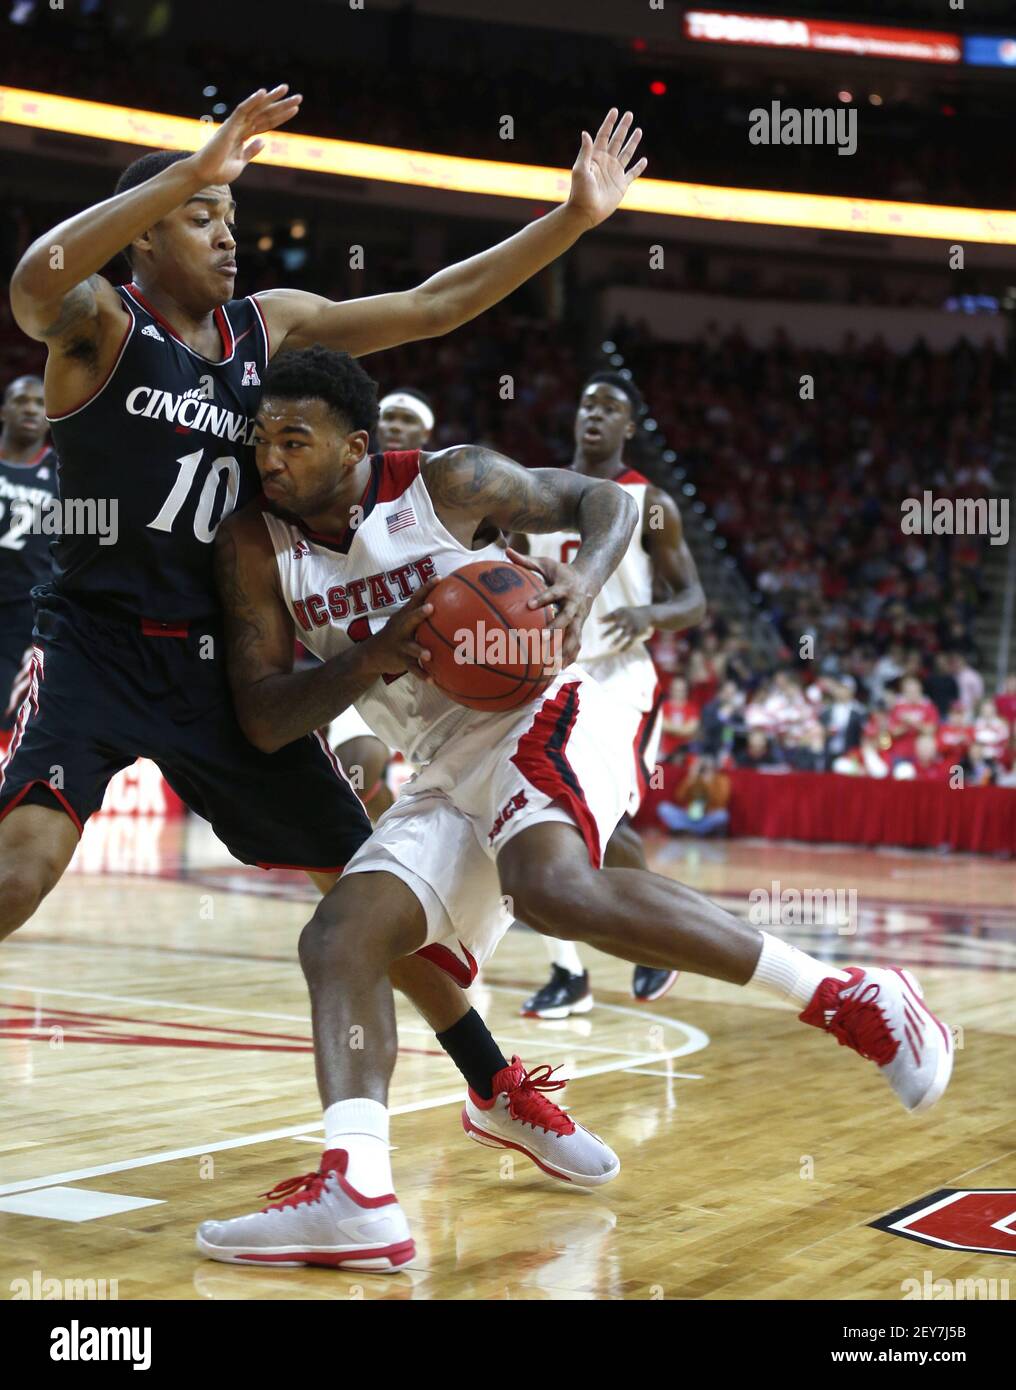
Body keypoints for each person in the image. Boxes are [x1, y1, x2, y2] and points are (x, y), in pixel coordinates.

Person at [3, 89, 645, 1184]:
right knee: (22, 869)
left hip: (222, 661)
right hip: (96, 645)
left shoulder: (271, 327)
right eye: (202, 216)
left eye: (227, 216)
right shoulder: (100, 325)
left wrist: (572, 220)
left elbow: (434, 304)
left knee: (360, 892)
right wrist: (188, 165)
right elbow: (33, 285)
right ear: (146, 232)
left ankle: (497, 1086)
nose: (227, 231)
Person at [199, 348, 953, 1270]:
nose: (269, 459)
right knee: (339, 939)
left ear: (354, 447)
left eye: (292, 440)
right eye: (260, 440)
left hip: (543, 707)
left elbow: (612, 504)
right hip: (440, 762)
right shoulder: (254, 544)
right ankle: (358, 1191)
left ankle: (852, 997)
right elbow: (266, 717)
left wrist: (585, 582)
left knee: (552, 888)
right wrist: (368, 658)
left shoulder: (448, 480)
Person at [513, 372, 707, 1015]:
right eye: (587, 403)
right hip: (546, 673)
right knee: (521, 813)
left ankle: (656, 939)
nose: (595, 414)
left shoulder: (651, 503)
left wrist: (650, 617)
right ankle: (568, 974)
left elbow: (693, 600)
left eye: (612, 408)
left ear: (629, 428)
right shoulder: (533, 493)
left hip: (619, 677)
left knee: (608, 817)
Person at [327, 388, 437, 820]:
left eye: (406, 420)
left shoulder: (442, 483)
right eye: (387, 418)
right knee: (355, 769)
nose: (394, 426)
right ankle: (382, 830)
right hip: (369, 655)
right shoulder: (343, 489)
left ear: (426, 432)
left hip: (439, 651)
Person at [0, 375, 55, 756]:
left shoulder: (63, 475)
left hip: (22, 618)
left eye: (40, 402)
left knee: (8, 710)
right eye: (22, 401)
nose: (32, 409)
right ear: (5, 410)